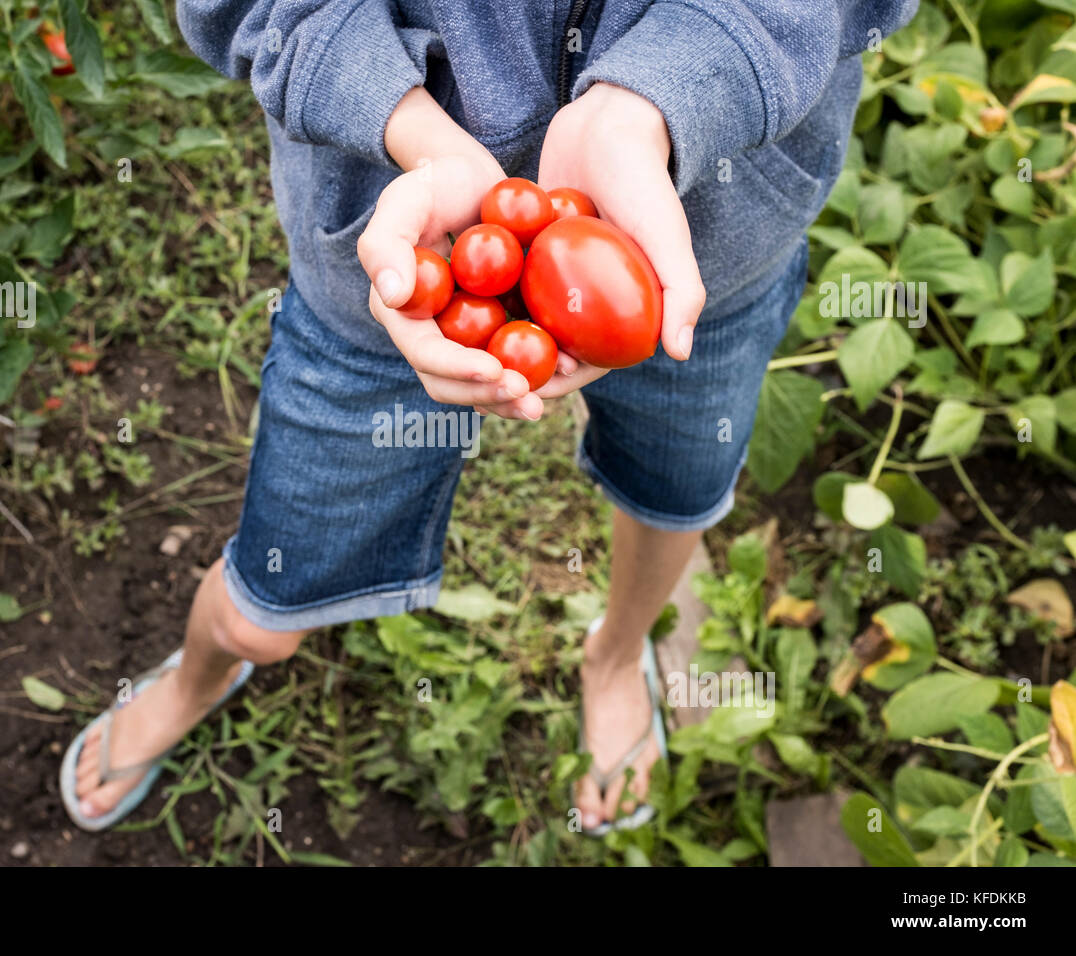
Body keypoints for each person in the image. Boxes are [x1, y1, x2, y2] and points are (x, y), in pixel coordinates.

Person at [60, 0, 918, 835]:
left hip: (706, 240)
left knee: (674, 493)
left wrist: (660, 97)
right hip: (390, 240)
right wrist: (405, 120)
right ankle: (196, 679)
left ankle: (617, 655)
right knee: (265, 606)